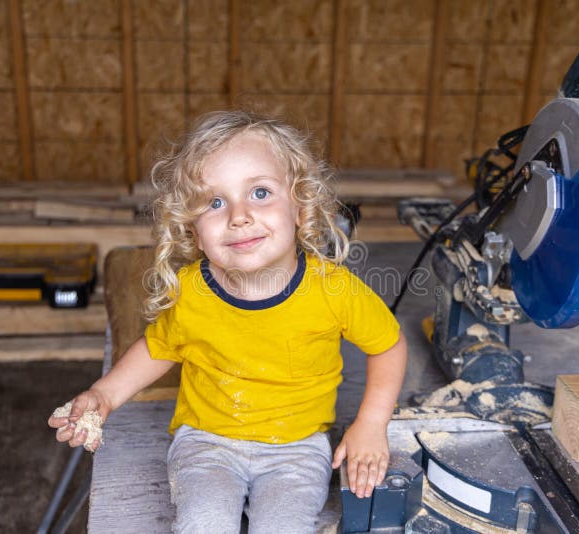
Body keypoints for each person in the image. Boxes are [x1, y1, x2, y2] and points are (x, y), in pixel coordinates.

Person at [48, 111, 407, 533]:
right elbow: (159, 348)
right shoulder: (191, 291)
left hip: (296, 447)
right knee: (203, 524)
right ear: (194, 231)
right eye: (215, 203)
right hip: (207, 443)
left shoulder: (333, 289)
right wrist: (104, 395)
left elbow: (387, 345)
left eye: (259, 192)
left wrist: (371, 423)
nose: (239, 216)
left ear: (300, 206)